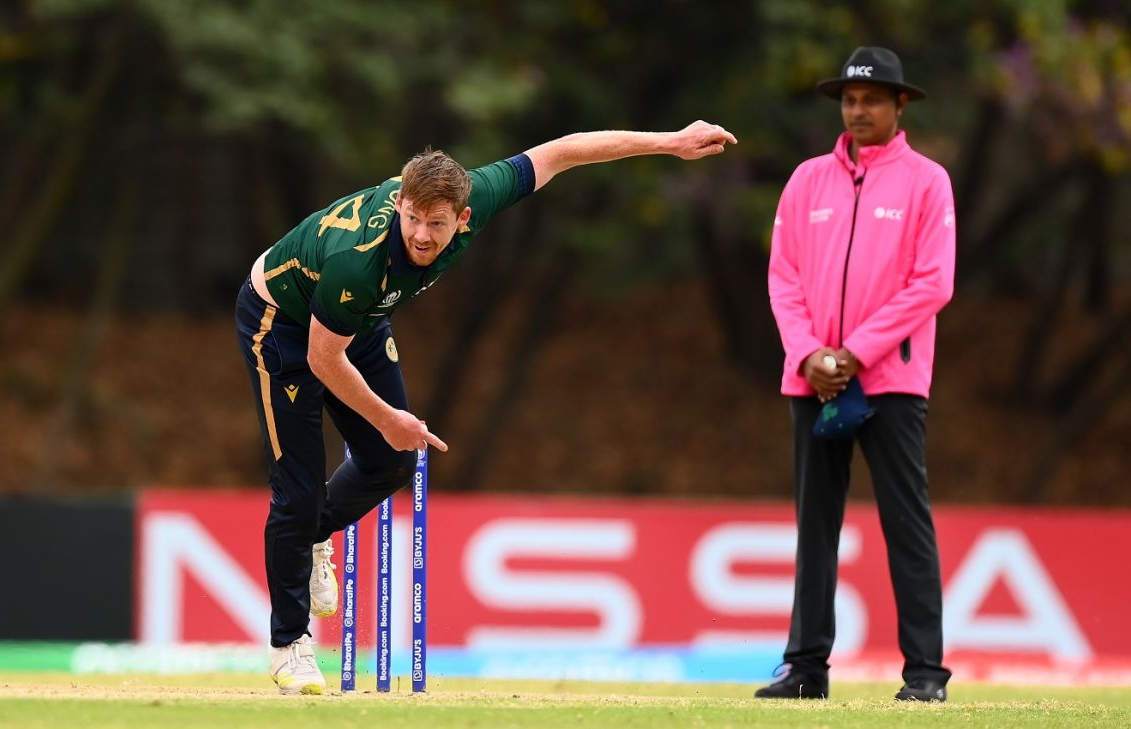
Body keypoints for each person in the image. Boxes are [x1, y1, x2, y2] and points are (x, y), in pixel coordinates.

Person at [235, 120, 738, 694]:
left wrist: (669, 142)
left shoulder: (481, 191)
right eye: (414, 219)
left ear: (463, 218)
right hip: (283, 325)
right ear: (400, 202)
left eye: (437, 224)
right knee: (298, 489)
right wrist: (388, 418)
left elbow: (563, 152)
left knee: (393, 463)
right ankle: (289, 647)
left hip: (359, 321)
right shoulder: (359, 261)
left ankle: (315, 534)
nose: (423, 236)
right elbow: (324, 361)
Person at [757, 47, 955, 702]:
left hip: (889, 379)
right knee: (816, 525)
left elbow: (932, 284)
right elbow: (783, 276)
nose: (858, 109)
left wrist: (855, 352)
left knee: (907, 521)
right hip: (814, 379)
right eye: (849, 99)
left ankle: (925, 673)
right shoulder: (806, 180)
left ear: (900, 105)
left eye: (871, 99)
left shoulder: (928, 182)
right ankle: (805, 667)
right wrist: (810, 352)